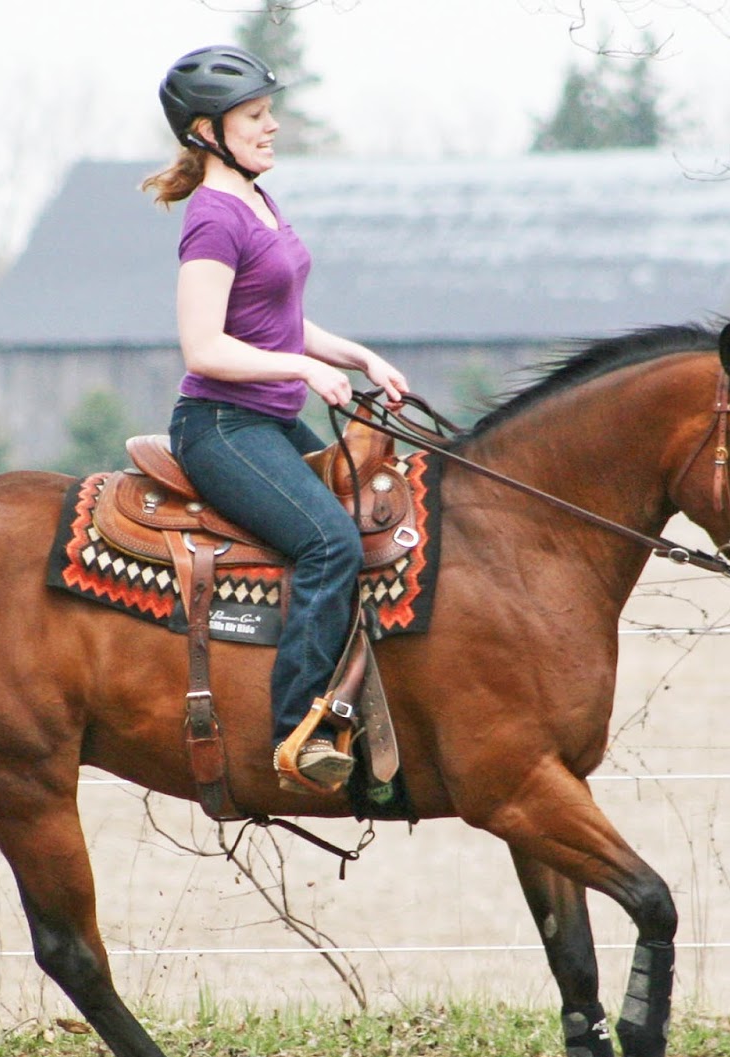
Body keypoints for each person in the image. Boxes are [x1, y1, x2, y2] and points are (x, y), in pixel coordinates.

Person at [143, 44, 409, 792]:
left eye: (269, 113)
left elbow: (276, 322)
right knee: (330, 544)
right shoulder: (214, 217)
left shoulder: (259, 199)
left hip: (264, 418)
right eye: (255, 117)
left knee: (370, 514)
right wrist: (302, 369)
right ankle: (299, 733)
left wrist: (358, 358)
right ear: (207, 131)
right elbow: (205, 345)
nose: (273, 126)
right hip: (222, 427)